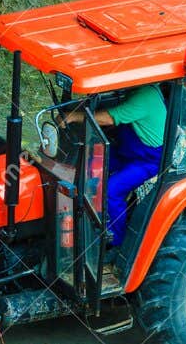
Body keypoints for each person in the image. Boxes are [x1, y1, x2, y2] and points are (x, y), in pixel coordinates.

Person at [70, 83, 167, 245]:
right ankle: (86, 212)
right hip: (129, 150)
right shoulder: (139, 89)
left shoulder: (144, 97)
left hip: (147, 160)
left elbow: (109, 118)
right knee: (91, 161)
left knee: (111, 190)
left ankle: (114, 241)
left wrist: (73, 116)